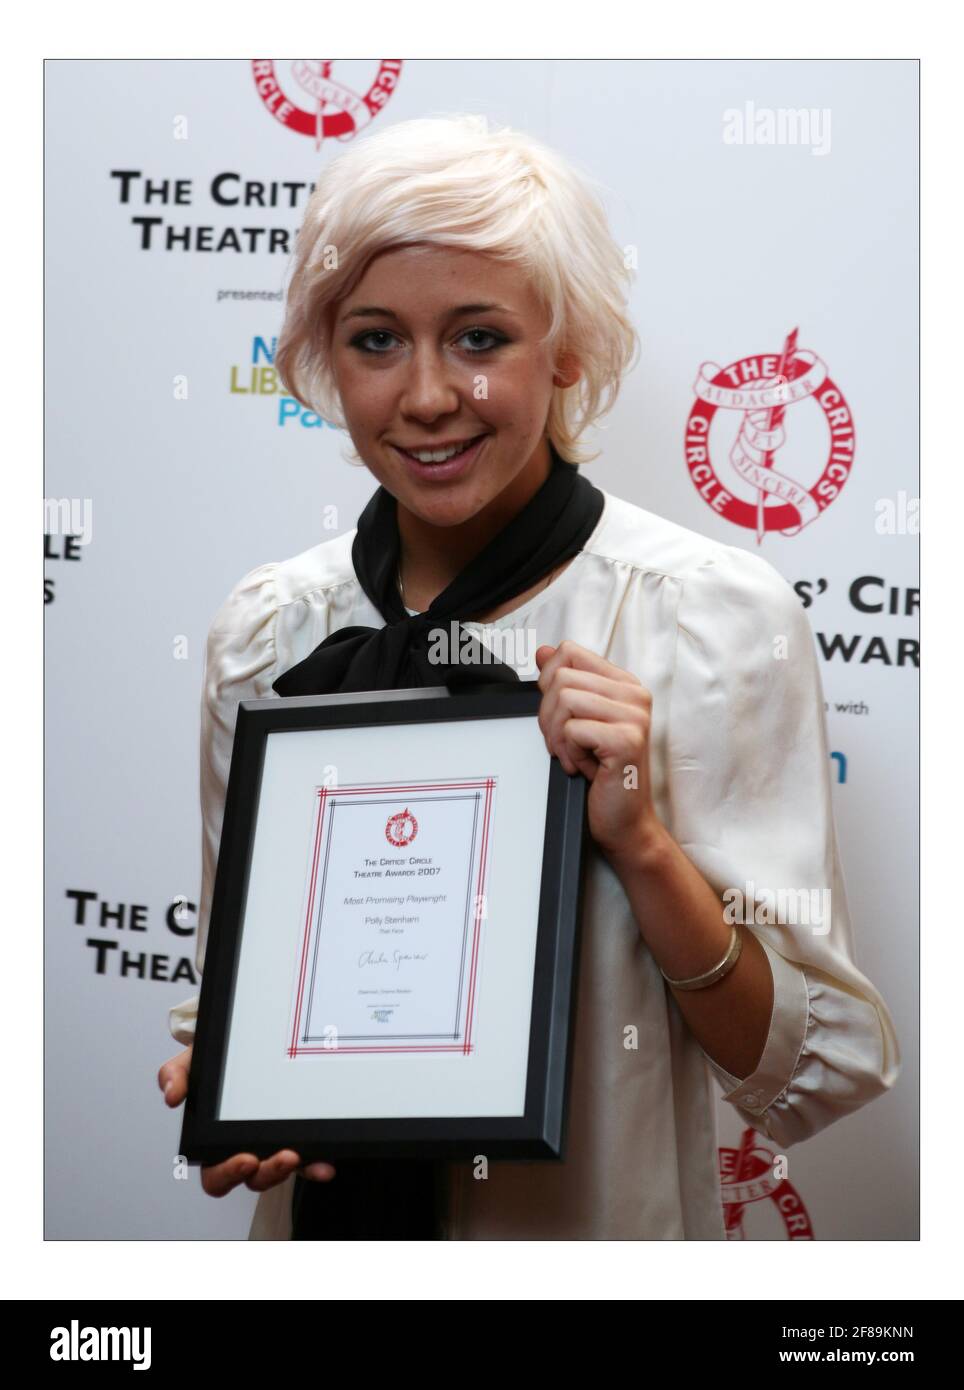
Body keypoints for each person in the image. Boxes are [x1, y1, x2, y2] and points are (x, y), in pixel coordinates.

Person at [158, 113, 899, 1240]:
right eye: (373, 341)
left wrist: (641, 839)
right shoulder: (270, 632)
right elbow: (238, 996)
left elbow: (804, 1068)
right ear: (320, 360)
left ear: (566, 351)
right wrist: (234, 1088)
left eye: (477, 338)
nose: (424, 395)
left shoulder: (705, 616)